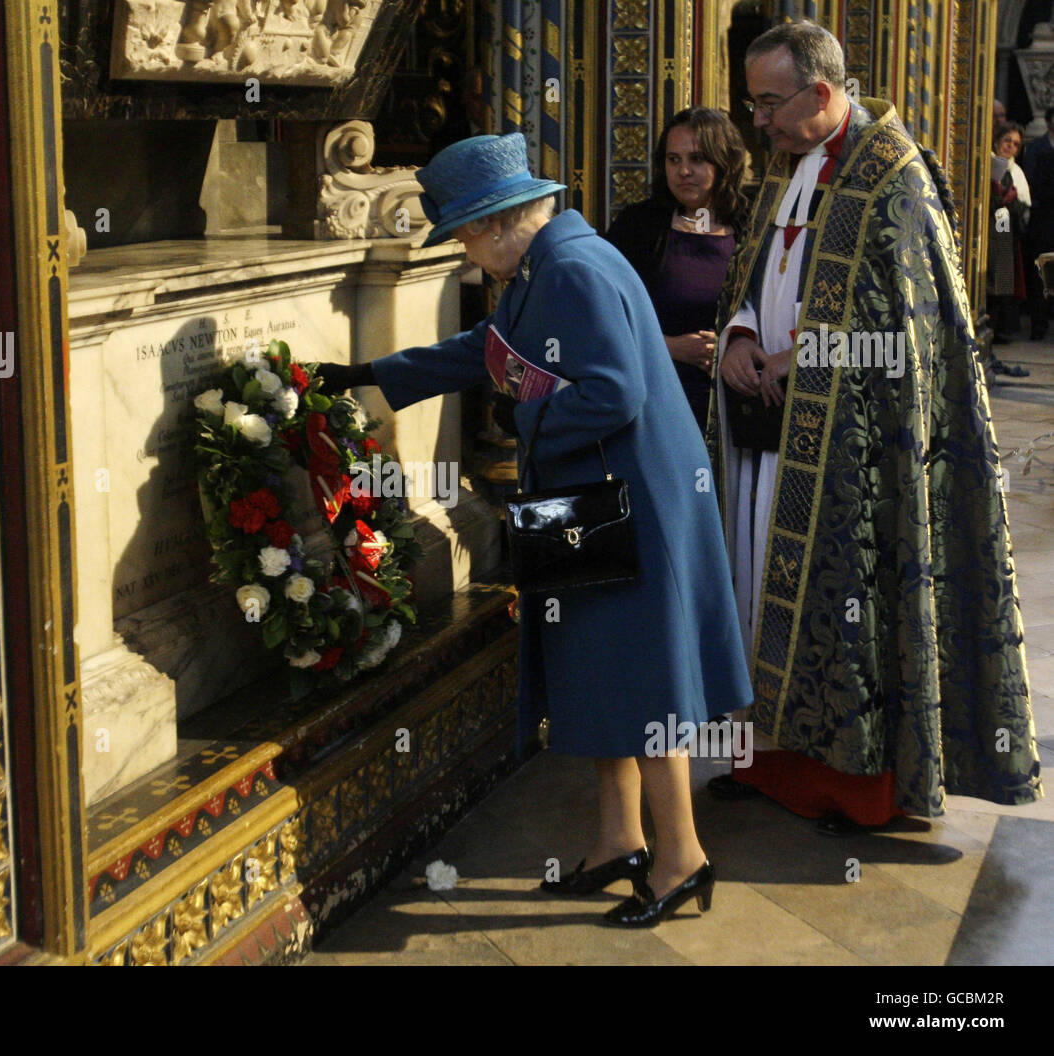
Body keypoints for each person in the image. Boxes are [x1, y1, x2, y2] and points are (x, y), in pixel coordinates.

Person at [318, 132, 753, 926]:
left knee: (644, 678)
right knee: (601, 668)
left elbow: (613, 393)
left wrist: (524, 413)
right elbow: (490, 350)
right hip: (602, 500)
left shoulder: (573, 271)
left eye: (460, 239)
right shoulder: (553, 260)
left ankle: (681, 858)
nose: (463, 255)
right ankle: (621, 841)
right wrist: (373, 376)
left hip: (624, 506)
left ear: (496, 225)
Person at [708, 21, 1041, 831]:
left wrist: (806, 359)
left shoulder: (894, 177)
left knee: (849, 604)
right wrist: (743, 337)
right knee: (758, 593)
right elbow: (757, 276)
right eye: (754, 105)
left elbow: (914, 338)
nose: (760, 122)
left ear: (822, 94)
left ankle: (854, 784)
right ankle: (766, 759)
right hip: (768, 443)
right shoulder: (782, 170)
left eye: (770, 104)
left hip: (853, 457)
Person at [604, 107, 750, 432]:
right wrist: (669, 347)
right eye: (673, 160)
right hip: (653, 398)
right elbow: (601, 314)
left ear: (723, 162)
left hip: (734, 405)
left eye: (697, 159)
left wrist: (735, 343)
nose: (683, 171)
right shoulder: (638, 226)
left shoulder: (752, 226)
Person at [986, 122, 1031, 375]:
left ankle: (998, 334)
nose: (1010, 147)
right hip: (988, 233)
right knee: (991, 286)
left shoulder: (1014, 171)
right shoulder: (991, 165)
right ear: (997, 141)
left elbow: (1021, 207)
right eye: (1007, 142)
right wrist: (1002, 200)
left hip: (1004, 233)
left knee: (1002, 285)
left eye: (1015, 144)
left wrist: (1007, 202)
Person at [1021, 105, 1054, 340]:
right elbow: (1032, 185)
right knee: (1040, 274)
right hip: (1043, 220)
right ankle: (1038, 324)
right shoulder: (1037, 150)